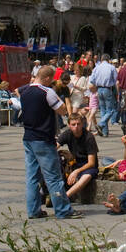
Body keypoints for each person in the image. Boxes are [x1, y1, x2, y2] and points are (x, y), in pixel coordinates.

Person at [19, 66, 80, 220]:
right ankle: (63, 210)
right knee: (53, 177)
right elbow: (62, 111)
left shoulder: (25, 91)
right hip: (43, 139)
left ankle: (33, 210)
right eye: (51, 79)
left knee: (32, 176)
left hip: (28, 137)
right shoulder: (47, 92)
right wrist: (61, 98)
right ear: (47, 78)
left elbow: (17, 94)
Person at [56, 112, 99, 202]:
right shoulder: (67, 134)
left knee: (86, 176)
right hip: (74, 163)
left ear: (82, 124)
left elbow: (91, 163)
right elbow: (54, 147)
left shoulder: (89, 137)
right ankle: (50, 193)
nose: (76, 127)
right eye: (73, 125)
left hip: (88, 166)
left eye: (78, 124)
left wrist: (77, 171)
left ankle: (64, 197)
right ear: (69, 125)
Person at [90, 54, 118, 137]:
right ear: (108, 59)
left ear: (101, 59)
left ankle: (105, 132)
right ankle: (101, 123)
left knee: (103, 110)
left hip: (99, 89)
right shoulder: (111, 67)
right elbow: (115, 79)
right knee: (111, 110)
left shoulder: (97, 68)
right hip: (107, 88)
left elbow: (92, 80)